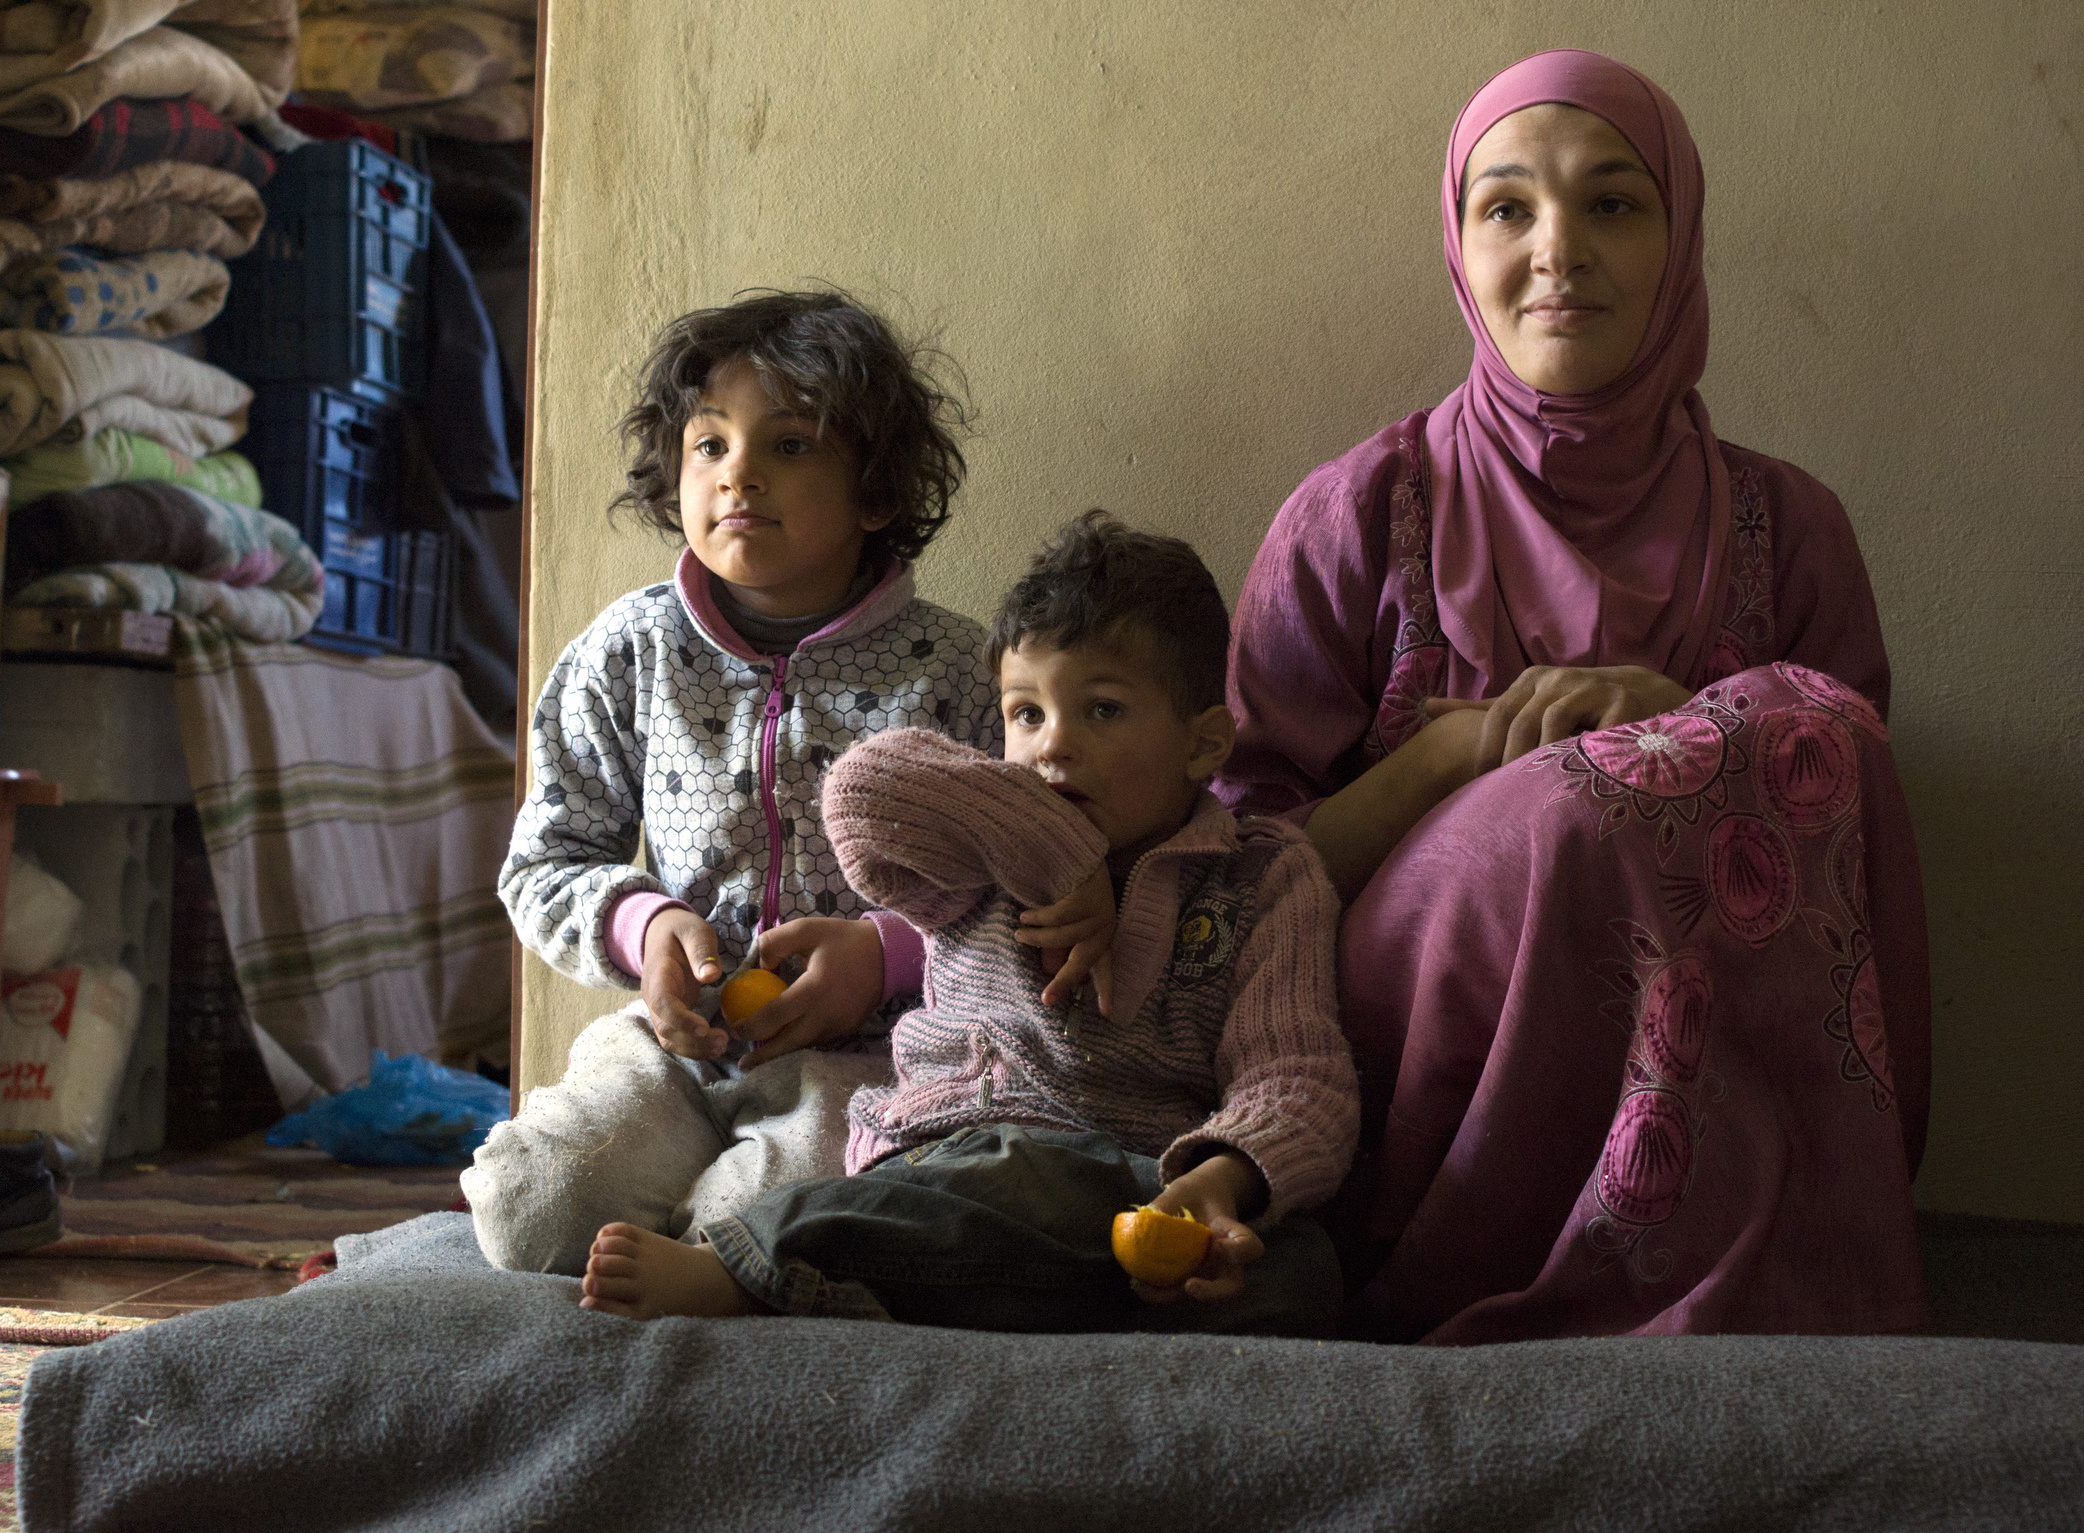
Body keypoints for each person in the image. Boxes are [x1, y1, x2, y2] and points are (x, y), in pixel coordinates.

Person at [1217, 50, 1932, 1342]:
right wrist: (1463, 760)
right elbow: (1232, 878)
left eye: (1612, 203)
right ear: (1458, 240)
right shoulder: (1361, 513)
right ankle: (1481, 1264)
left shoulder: (1789, 523)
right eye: (1508, 207)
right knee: (1588, 809)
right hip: (1426, 1047)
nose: (1560, 251)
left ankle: (1746, 1268)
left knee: (1811, 732)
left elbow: (1856, 846)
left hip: (1726, 1075)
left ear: (1679, 238)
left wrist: (1677, 718)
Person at [576, 513, 1358, 1334]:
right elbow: (859, 791)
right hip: (967, 1151)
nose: (1052, 747)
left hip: (1141, 1181)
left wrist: (1222, 1181)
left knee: (1302, 1267)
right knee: (1018, 1177)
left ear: (1203, 744)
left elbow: (1300, 1074)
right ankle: (744, 1266)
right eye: (1026, 714)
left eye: (1101, 710)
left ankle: (1013, 1298)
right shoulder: (980, 849)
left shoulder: (1267, 876)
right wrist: (1054, 849)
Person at [466, 290, 1013, 1276]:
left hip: (869, 1058)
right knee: (527, 1209)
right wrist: (647, 929)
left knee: (766, 1231)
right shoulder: (628, 655)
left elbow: (1026, 891)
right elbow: (543, 863)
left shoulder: (959, 673)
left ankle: (714, 1246)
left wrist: (882, 959)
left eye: (792, 445)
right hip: (672, 1049)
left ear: (876, 492)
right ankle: (672, 1219)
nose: (740, 473)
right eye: (709, 445)